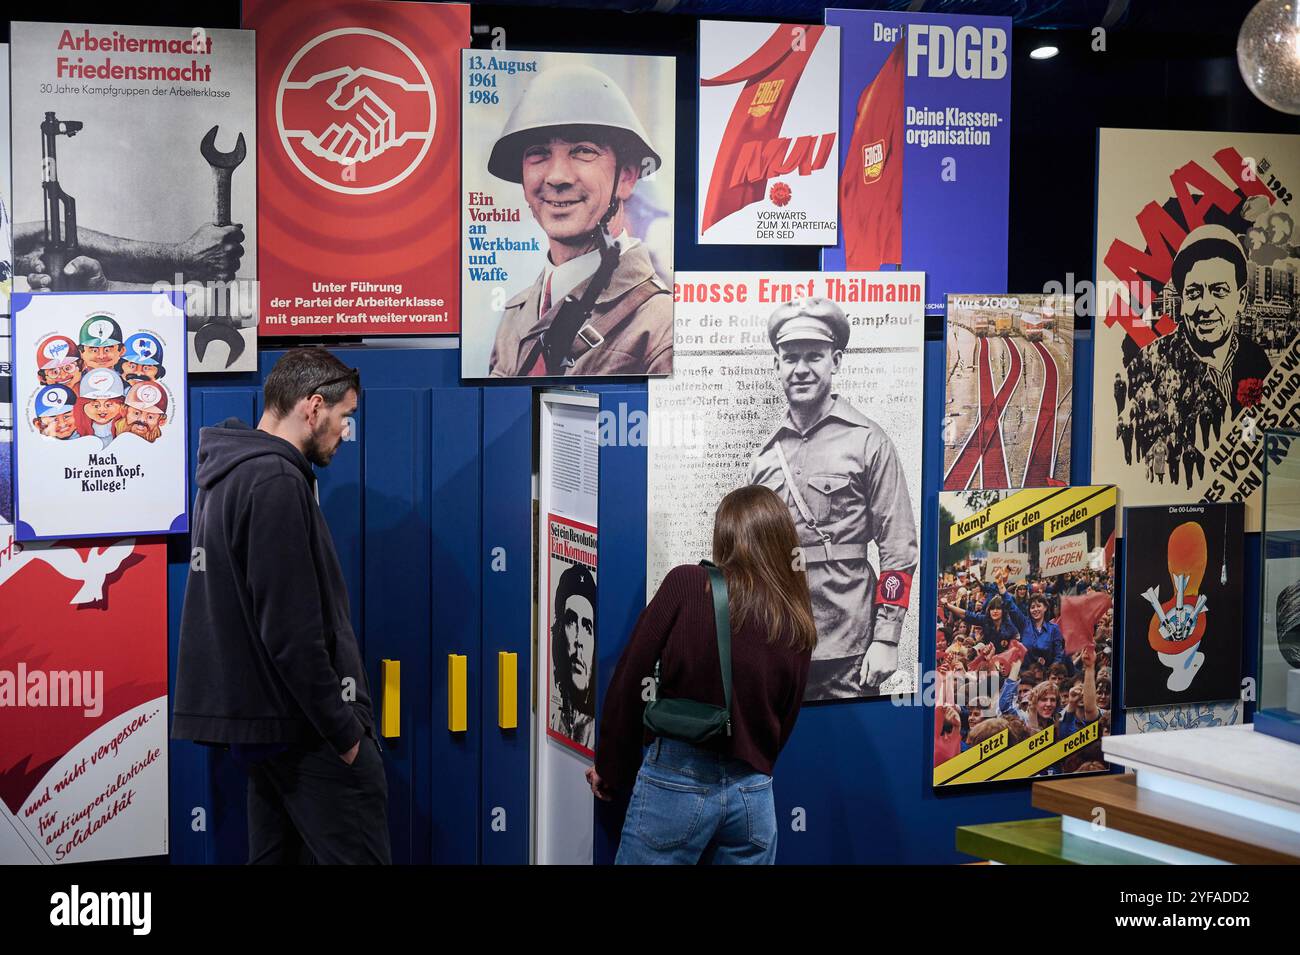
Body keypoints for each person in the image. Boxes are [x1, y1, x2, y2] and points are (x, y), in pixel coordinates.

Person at [172, 348, 389, 865]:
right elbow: (291, 633)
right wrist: (345, 735)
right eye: (344, 418)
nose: (345, 433)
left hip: (266, 731)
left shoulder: (226, 474)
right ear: (313, 408)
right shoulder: (274, 479)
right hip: (307, 733)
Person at [587, 485, 815, 864]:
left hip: (678, 780)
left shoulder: (688, 584)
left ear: (724, 534)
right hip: (753, 795)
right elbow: (786, 716)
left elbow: (631, 679)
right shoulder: (793, 615)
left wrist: (612, 769)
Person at [748, 298, 918, 700]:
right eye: (790, 358)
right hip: (779, 642)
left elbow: (899, 548)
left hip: (850, 645)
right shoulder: (764, 457)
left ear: (835, 361)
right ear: (777, 365)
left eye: (814, 356)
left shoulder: (867, 442)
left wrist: (888, 638)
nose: (801, 369)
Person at [486, 65, 672, 377]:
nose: (557, 177)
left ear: (626, 177)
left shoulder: (660, 325)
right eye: (538, 153)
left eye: (583, 151)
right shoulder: (515, 318)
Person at [548, 562, 597, 750]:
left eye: (587, 626)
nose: (579, 639)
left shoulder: (599, 732)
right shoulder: (554, 719)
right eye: (571, 622)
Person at [74, 367, 126, 448]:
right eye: (96, 405)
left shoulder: (126, 429)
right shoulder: (77, 431)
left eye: (108, 405)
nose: (102, 409)